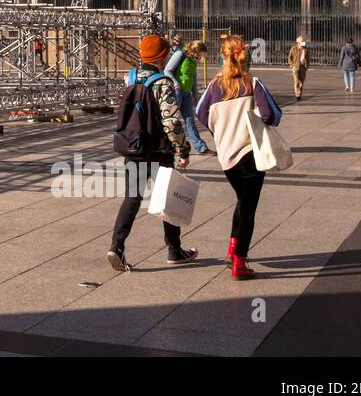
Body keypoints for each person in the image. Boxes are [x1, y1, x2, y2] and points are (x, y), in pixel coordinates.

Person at [107, 34, 197, 273]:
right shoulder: (162, 82)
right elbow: (171, 121)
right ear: (162, 56)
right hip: (158, 151)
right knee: (167, 200)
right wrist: (182, 149)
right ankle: (174, 249)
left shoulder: (130, 77)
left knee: (132, 198)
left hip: (133, 147)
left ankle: (116, 247)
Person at [196, 35, 283, 280]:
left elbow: (200, 113)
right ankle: (240, 262)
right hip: (250, 153)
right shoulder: (253, 83)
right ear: (244, 55)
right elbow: (272, 116)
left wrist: (220, 130)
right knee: (248, 208)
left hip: (227, 157)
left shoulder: (214, 86)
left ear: (223, 56)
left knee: (241, 201)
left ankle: (232, 248)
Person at [165, 39, 210, 154]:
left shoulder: (193, 60)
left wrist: (195, 94)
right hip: (177, 91)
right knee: (173, 120)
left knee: (190, 121)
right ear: (195, 50)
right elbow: (167, 70)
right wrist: (176, 84)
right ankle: (167, 145)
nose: (201, 57)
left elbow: (193, 77)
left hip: (187, 93)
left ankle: (201, 147)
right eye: (200, 54)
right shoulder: (180, 54)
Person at [287, 37, 309, 101]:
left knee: (301, 82)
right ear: (298, 43)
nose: (304, 42)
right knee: (296, 81)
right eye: (302, 41)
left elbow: (308, 58)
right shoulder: (294, 48)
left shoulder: (306, 49)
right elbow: (290, 57)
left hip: (302, 67)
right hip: (295, 67)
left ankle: (300, 94)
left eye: (304, 41)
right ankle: (297, 95)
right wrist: (292, 65)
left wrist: (306, 67)